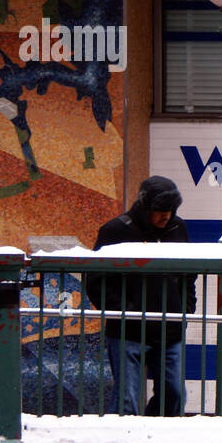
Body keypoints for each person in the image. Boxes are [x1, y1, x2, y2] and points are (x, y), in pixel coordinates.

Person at [85, 176, 197, 416]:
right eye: (159, 211)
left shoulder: (179, 229)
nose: (165, 215)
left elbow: (189, 275)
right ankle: (124, 442)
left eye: (170, 210)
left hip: (170, 328)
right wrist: (124, 310)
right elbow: (95, 280)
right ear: (146, 207)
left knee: (175, 393)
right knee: (127, 398)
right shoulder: (116, 230)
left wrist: (185, 308)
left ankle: (156, 437)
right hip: (129, 329)